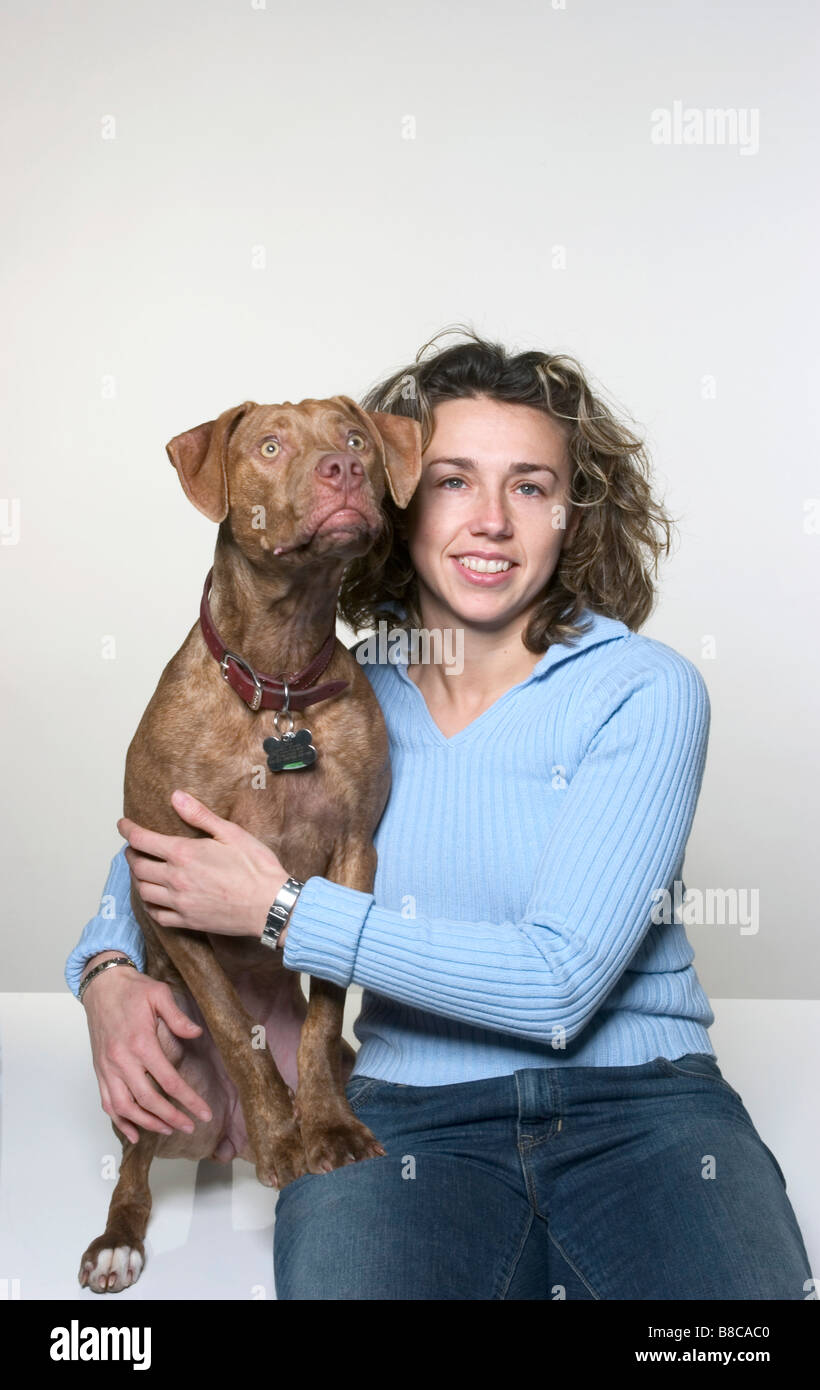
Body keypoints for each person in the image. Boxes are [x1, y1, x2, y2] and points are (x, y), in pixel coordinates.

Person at [66, 326, 813, 1300]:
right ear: (397, 499)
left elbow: (558, 985)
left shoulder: (643, 688)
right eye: (455, 480)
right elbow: (176, 828)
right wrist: (107, 968)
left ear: (573, 517)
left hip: (646, 1109)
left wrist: (284, 910)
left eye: (531, 486)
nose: (491, 518)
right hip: (402, 1113)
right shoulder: (332, 702)